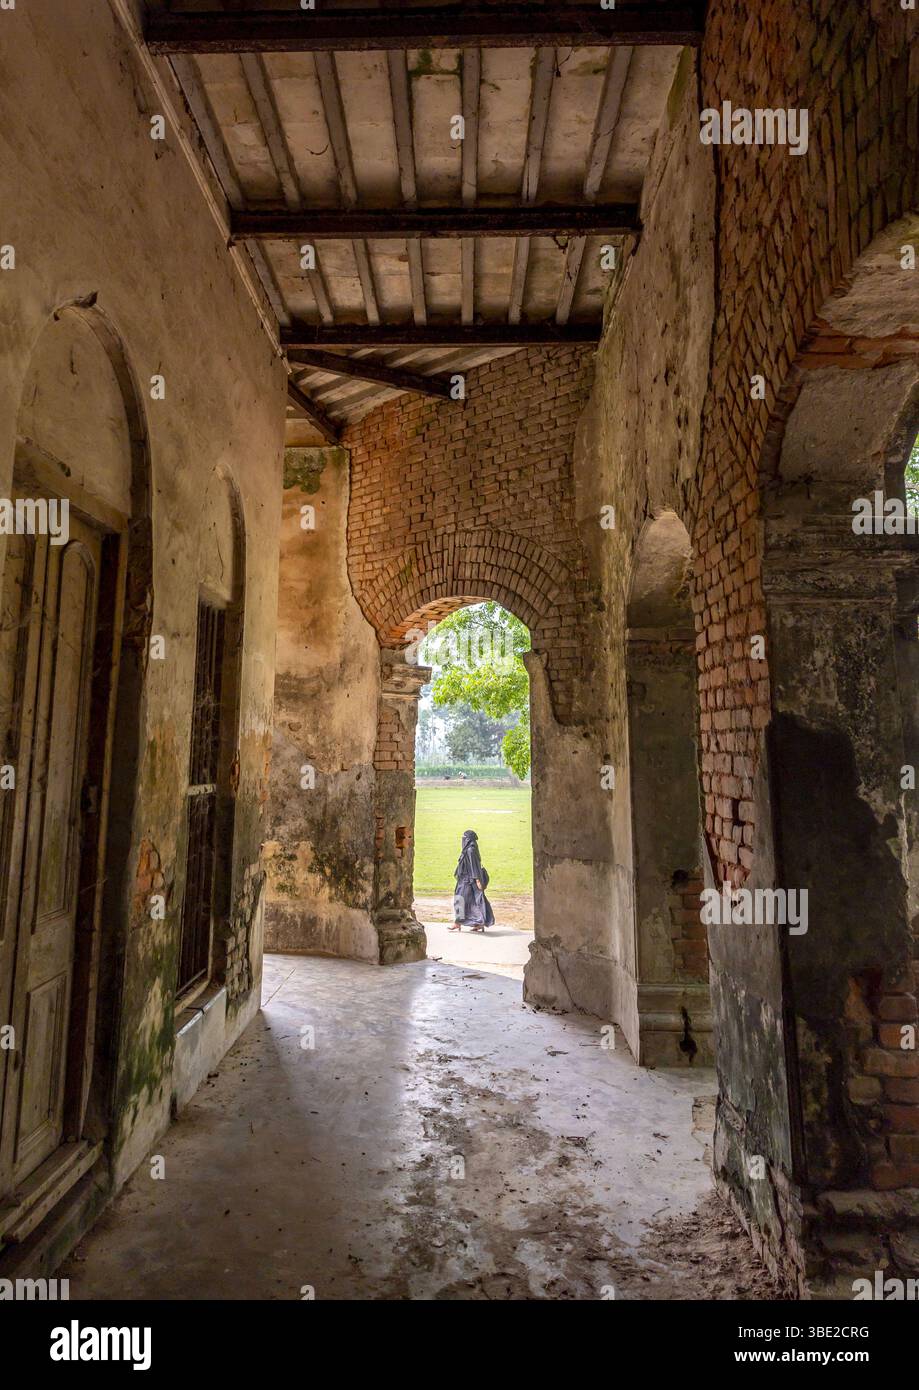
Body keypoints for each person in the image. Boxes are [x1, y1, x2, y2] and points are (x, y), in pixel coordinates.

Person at [450, 828, 495, 933]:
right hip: (465, 879)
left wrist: (478, 880)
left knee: (460, 899)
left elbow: (475, 866)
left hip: (468, 880)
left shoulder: (470, 850)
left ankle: (458, 923)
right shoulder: (469, 849)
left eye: (464, 838)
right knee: (472, 901)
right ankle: (477, 923)